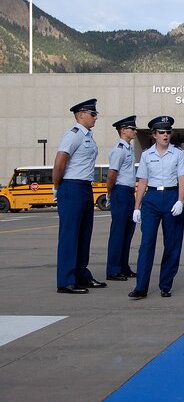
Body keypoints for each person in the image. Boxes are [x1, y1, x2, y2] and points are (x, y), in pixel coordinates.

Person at [130, 116, 184, 299]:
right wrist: (137, 207)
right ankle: (141, 287)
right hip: (152, 198)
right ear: (154, 135)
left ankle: (166, 284)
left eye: (168, 132)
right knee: (146, 244)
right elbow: (142, 181)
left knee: (172, 244)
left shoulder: (178, 153)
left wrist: (180, 201)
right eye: (162, 132)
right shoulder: (147, 155)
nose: (166, 135)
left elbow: (182, 178)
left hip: (172, 196)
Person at [52, 98, 107, 294]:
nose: (95, 117)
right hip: (71, 187)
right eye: (92, 114)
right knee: (70, 235)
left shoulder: (88, 136)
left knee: (84, 234)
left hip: (84, 187)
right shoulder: (73, 135)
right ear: (81, 115)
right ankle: (66, 280)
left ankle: (81, 275)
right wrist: (57, 188)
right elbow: (60, 163)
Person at [105, 115, 139, 281]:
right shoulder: (119, 150)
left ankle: (123, 267)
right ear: (123, 130)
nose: (135, 131)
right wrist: (109, 192)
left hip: (129, 192)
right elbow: (112, 174)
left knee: (127, 232)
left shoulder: (128, 149)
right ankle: (113, 269)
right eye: (132, 129)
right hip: (120, 192)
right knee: (118, 232)